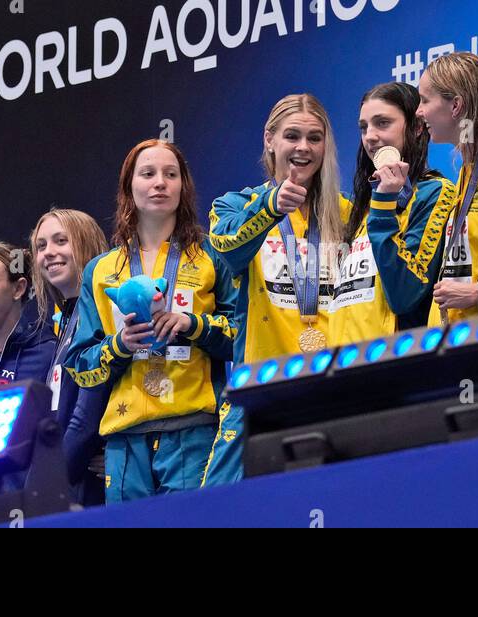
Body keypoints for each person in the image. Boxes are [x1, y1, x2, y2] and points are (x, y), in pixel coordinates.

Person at [64, 139, 236, 502]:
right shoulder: (101, 271)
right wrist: (120, 345)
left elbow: (243, 334)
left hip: (194, 430)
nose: (160, 183)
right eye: (148, 174)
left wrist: (193, 325)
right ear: (129, 188)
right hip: (125, 440)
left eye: (170, 175)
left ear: (183, 187)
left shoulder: (210, 258)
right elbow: (80, 366)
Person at [202, 93, 351, 486]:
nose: (304, 147)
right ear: (270, 139)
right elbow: (226, 253)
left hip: (331, 382)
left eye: (315, 138)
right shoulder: (235, 205)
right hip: (259, 387)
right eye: (292, 136)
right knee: (221, 507)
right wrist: (271, 207)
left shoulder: (349, 212)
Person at [330, 81, 456, 344]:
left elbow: (405, 294)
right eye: (364, 127)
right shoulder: (363, 206)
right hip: (344, 367)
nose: (370, 136)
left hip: (396, 365)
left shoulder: (434, 193)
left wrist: (384, 205)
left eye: (382, 123)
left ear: (417, 127)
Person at [416, 52, 478, 324]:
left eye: (425, 100)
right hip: (456, 340)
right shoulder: (466, 172)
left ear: (455, 105)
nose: (418, 111)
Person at [30, 208, 110, 504]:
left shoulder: (104, 312)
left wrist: (46, 486)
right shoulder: (64, 319)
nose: (49, 253)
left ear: (86, 244)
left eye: (61, 241)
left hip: (94, 486)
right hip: (74, 481)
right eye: (41, 246)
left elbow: (87, 420)